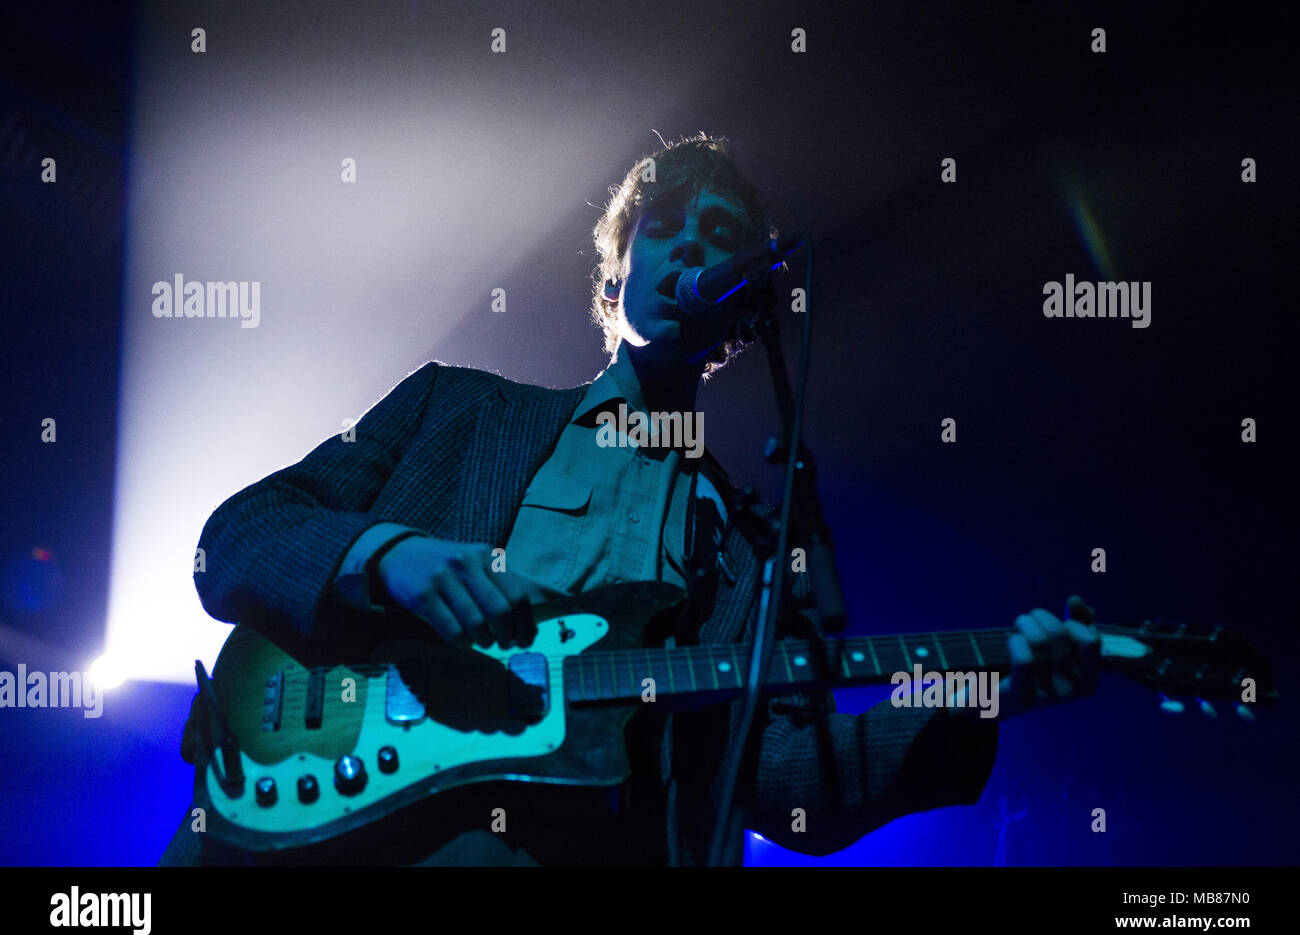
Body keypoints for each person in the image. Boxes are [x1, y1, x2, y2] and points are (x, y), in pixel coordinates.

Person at [159, 133, 1098, 867]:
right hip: (301, 814)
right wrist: (389, 558)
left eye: (724, 232)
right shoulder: (457, 408)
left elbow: (786, 784)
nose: (694, 241)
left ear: (742, 312)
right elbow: (236, 539)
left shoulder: (738, 551)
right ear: (620, 266)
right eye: (666, 223)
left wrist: (989, 692)